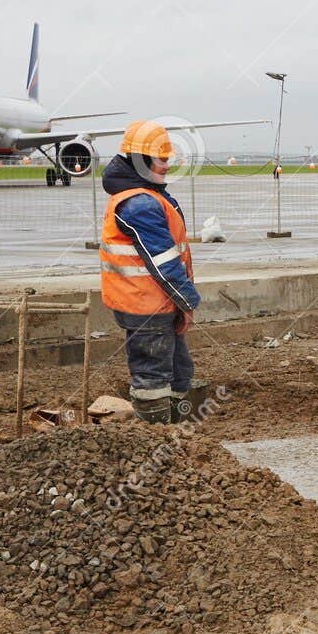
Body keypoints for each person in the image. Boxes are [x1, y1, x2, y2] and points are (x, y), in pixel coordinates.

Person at [98, 121, 201, 424]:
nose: (168, 166)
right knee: (153, 374)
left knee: (180, 370)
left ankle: (178, 432)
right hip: (146, 305)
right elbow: (162, 261)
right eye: (163, 159)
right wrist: (188, 299)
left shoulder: (146, 195)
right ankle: (155, 435)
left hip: (157, 302)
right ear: (140, 160)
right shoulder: (138, 203)